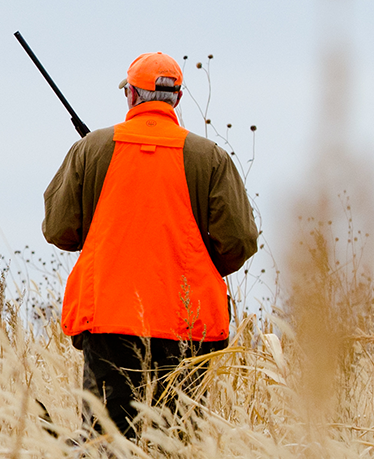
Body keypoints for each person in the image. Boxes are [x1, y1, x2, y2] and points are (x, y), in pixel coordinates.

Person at [41, 52, 259, 440]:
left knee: (105, 441)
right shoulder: (210, 158)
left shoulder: (92, 149)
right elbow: (238, 241)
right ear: (176, 99)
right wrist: (196, 264)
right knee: (175, 441)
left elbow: (59, 229)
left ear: (131, 97)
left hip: (110, 319)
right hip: (187, 324)